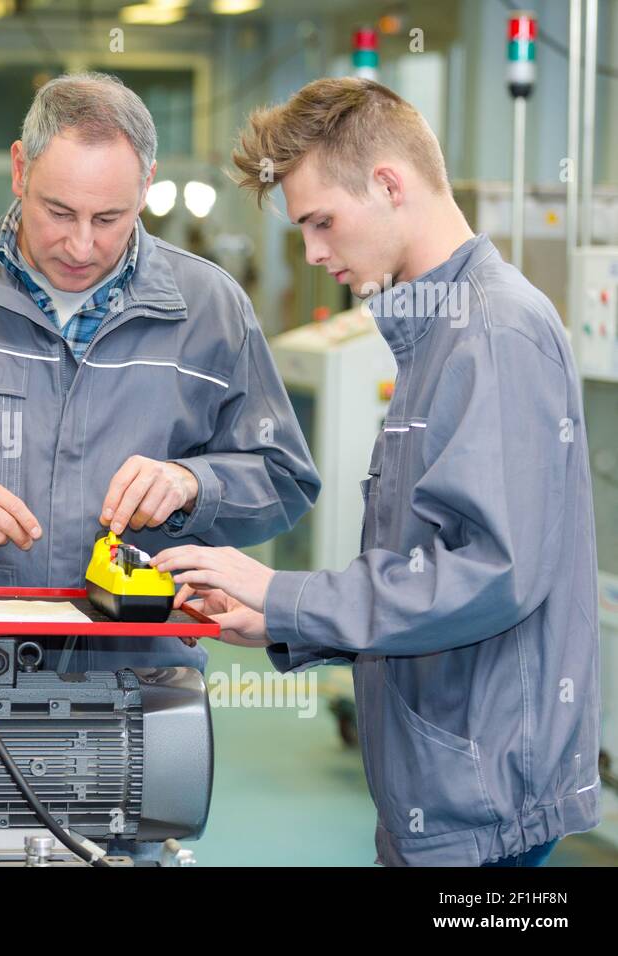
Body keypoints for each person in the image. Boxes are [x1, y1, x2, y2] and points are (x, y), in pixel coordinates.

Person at [154, 78, 600, 866]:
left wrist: (282, 589)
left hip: (482, 801)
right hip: (436, 784)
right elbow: (421, 571)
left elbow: (489, 575)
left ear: (390, 184)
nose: (315, 252)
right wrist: (286, 623)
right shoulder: (435, 339)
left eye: (321, 222)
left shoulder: (492, 333)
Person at [0, 72, 319, 674]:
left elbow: (284, 479)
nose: (81, 246)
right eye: (59, 212)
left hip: (142, 679)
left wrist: (192, 484)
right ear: (20, 169)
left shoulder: (211, 309)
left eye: (109, 218)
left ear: (147, 186)